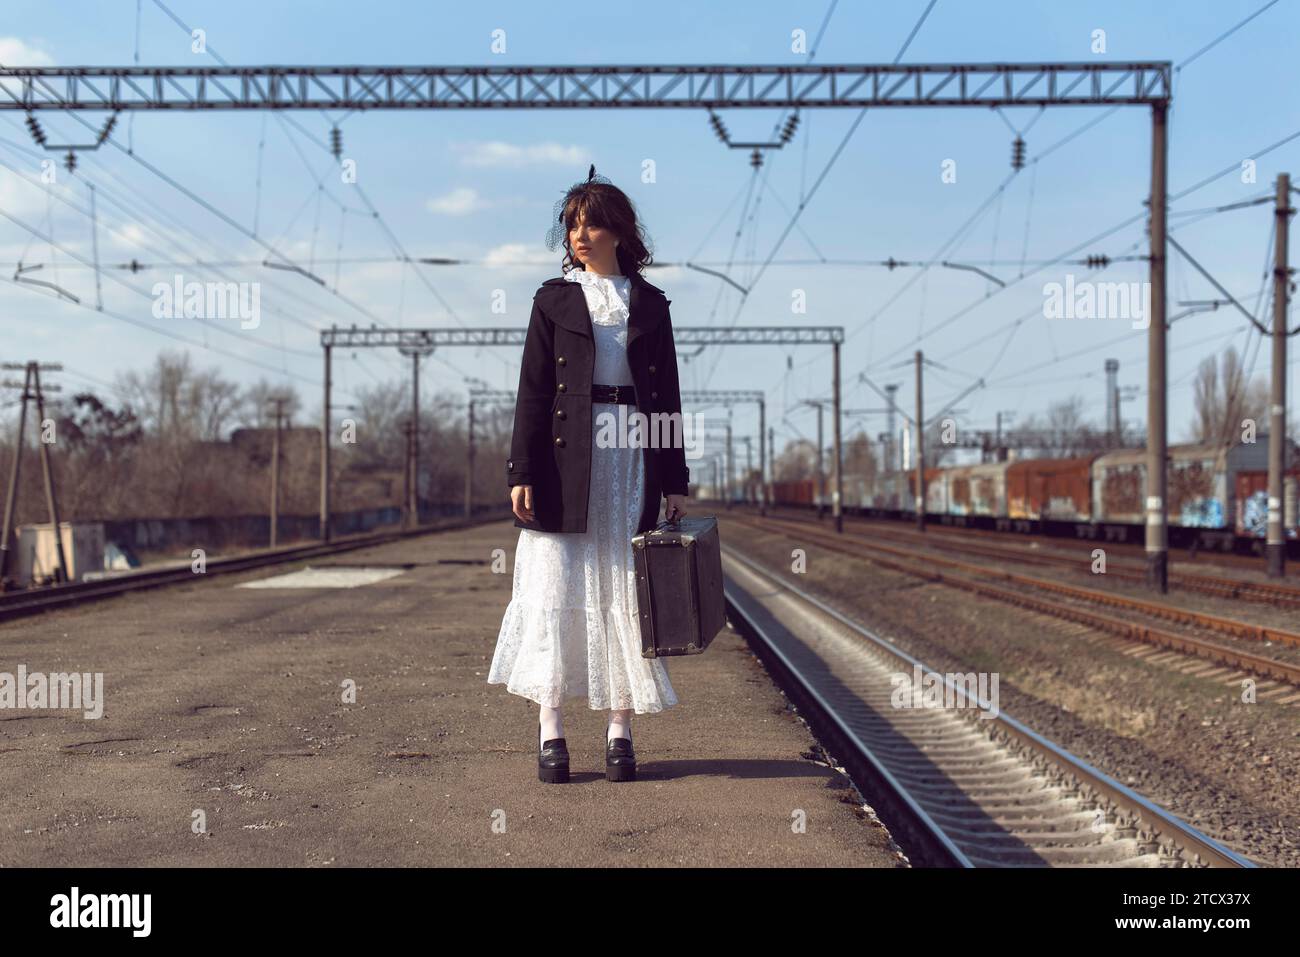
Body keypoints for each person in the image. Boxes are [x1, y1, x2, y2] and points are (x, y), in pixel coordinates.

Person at [487, 165, 690, 784]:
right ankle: (551, 734)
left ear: (619, 231)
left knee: (625, 586)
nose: (580, 234)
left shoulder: (651, 305)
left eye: (592, 223)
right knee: (558, 585)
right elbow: (531, 390)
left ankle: (620, 734)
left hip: (631, 450)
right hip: (562, 455)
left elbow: (669, 397)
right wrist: (522, 467)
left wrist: (675, 477)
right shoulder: (552, 300)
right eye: (572, 224)